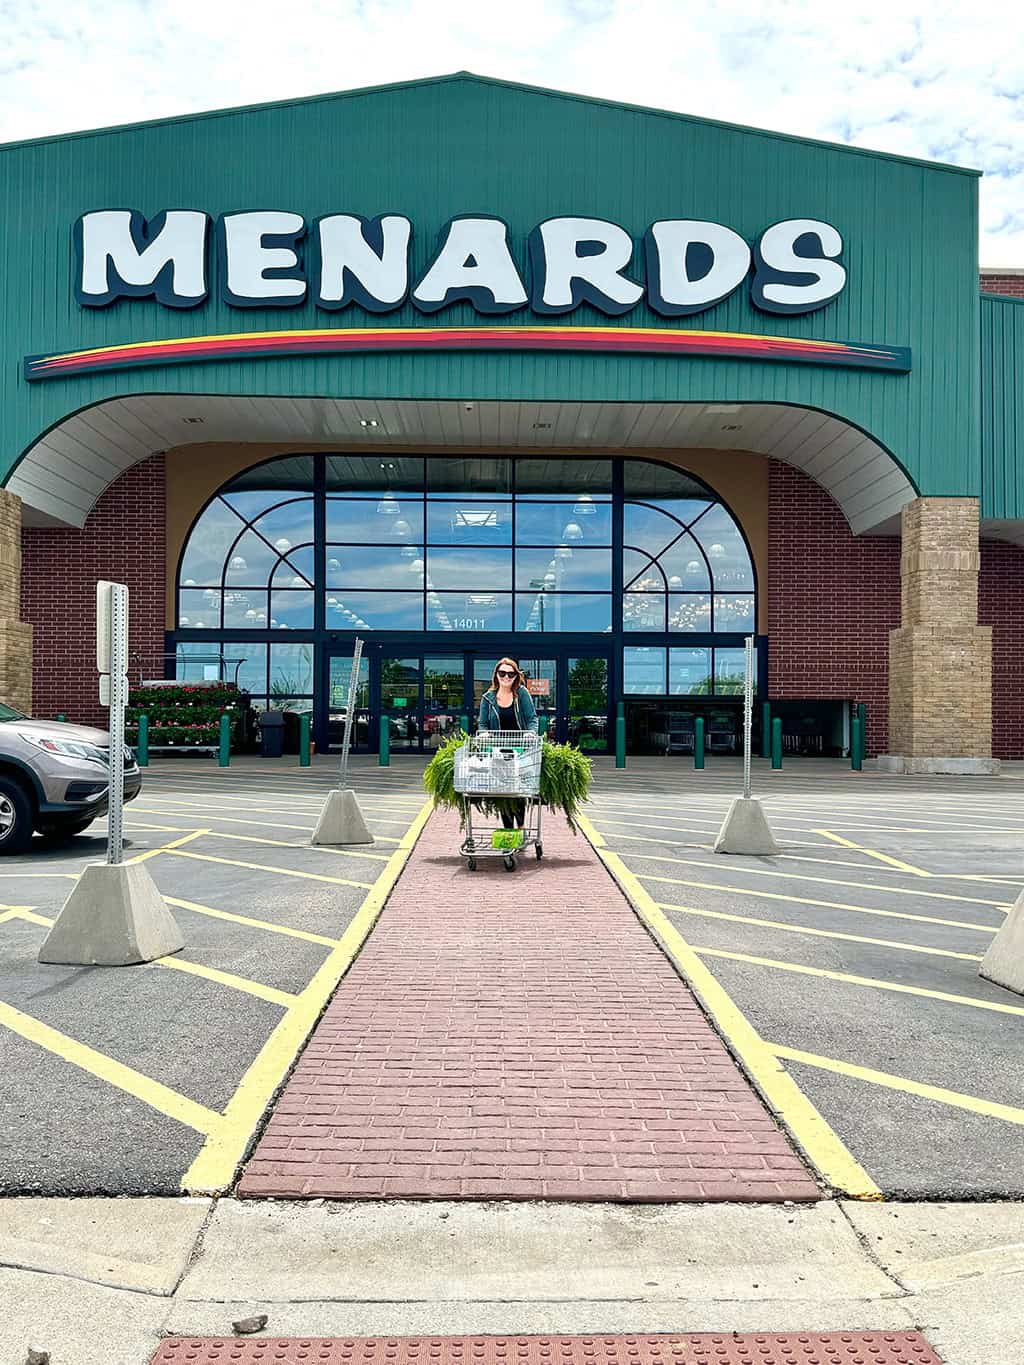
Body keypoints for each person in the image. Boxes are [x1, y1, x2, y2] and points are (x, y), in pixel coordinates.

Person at [477, 658, 538, 828]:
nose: (506, 677)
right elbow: (482, 724)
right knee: (502, 790)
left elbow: (532, 718)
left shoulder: (521, 693)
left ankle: (520, 826)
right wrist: (483, 734)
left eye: (510, 674)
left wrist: (531, 733)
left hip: (520, 750)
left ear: (515, 676)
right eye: (502, 673)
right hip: (497, 750)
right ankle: (508, 830)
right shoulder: (487, 698)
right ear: (496, 675)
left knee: (517, 791)